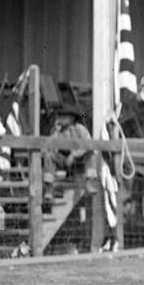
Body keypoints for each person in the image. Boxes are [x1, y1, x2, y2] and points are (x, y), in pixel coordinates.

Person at [49, 105, 94, 245]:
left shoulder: (79, 129)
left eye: (64, 116)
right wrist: (56, 131)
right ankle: (48, 186)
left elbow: (88, 144)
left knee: (90, 155)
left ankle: (90, 181)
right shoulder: (58, 131)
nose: (61, 119)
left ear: (72, 118)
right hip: (64, 163)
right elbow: (50, 145)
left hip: (78, 163)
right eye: (60, 116)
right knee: (49, 155)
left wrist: (74, 155)